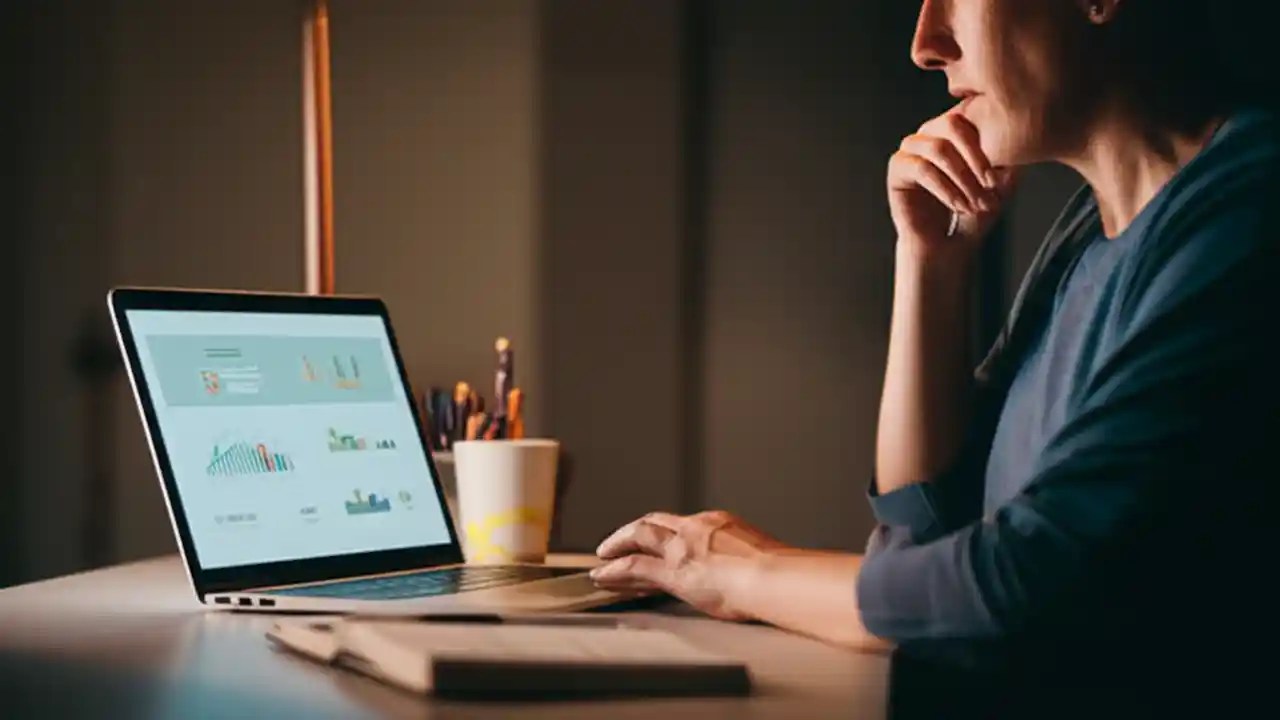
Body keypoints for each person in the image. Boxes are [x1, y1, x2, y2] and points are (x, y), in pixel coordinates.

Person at [590, 0, 1280, 686]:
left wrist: (741, 573)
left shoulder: (1246, 219)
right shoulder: (1086, 236)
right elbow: (924, 549)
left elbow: (1017, 589)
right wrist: (929, 266)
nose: (925, 43)